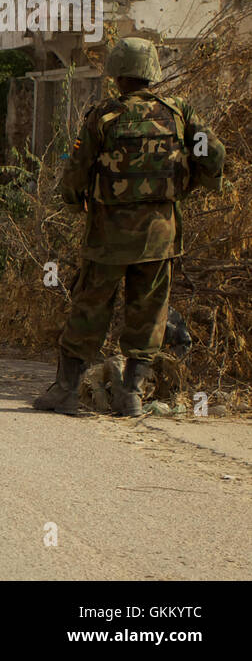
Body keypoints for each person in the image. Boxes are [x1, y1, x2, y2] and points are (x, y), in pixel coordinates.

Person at [35, 37, 224, 417]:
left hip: (108, 236)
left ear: (117, 75)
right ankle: (132, 397)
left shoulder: (103, 116)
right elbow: (213, 153)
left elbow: (75, 171)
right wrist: (194, 184)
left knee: (89, 308)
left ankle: (65, 391)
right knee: (149, 314)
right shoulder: (179, 113)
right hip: (159, 236)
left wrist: (74, 203)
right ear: (152, 73)